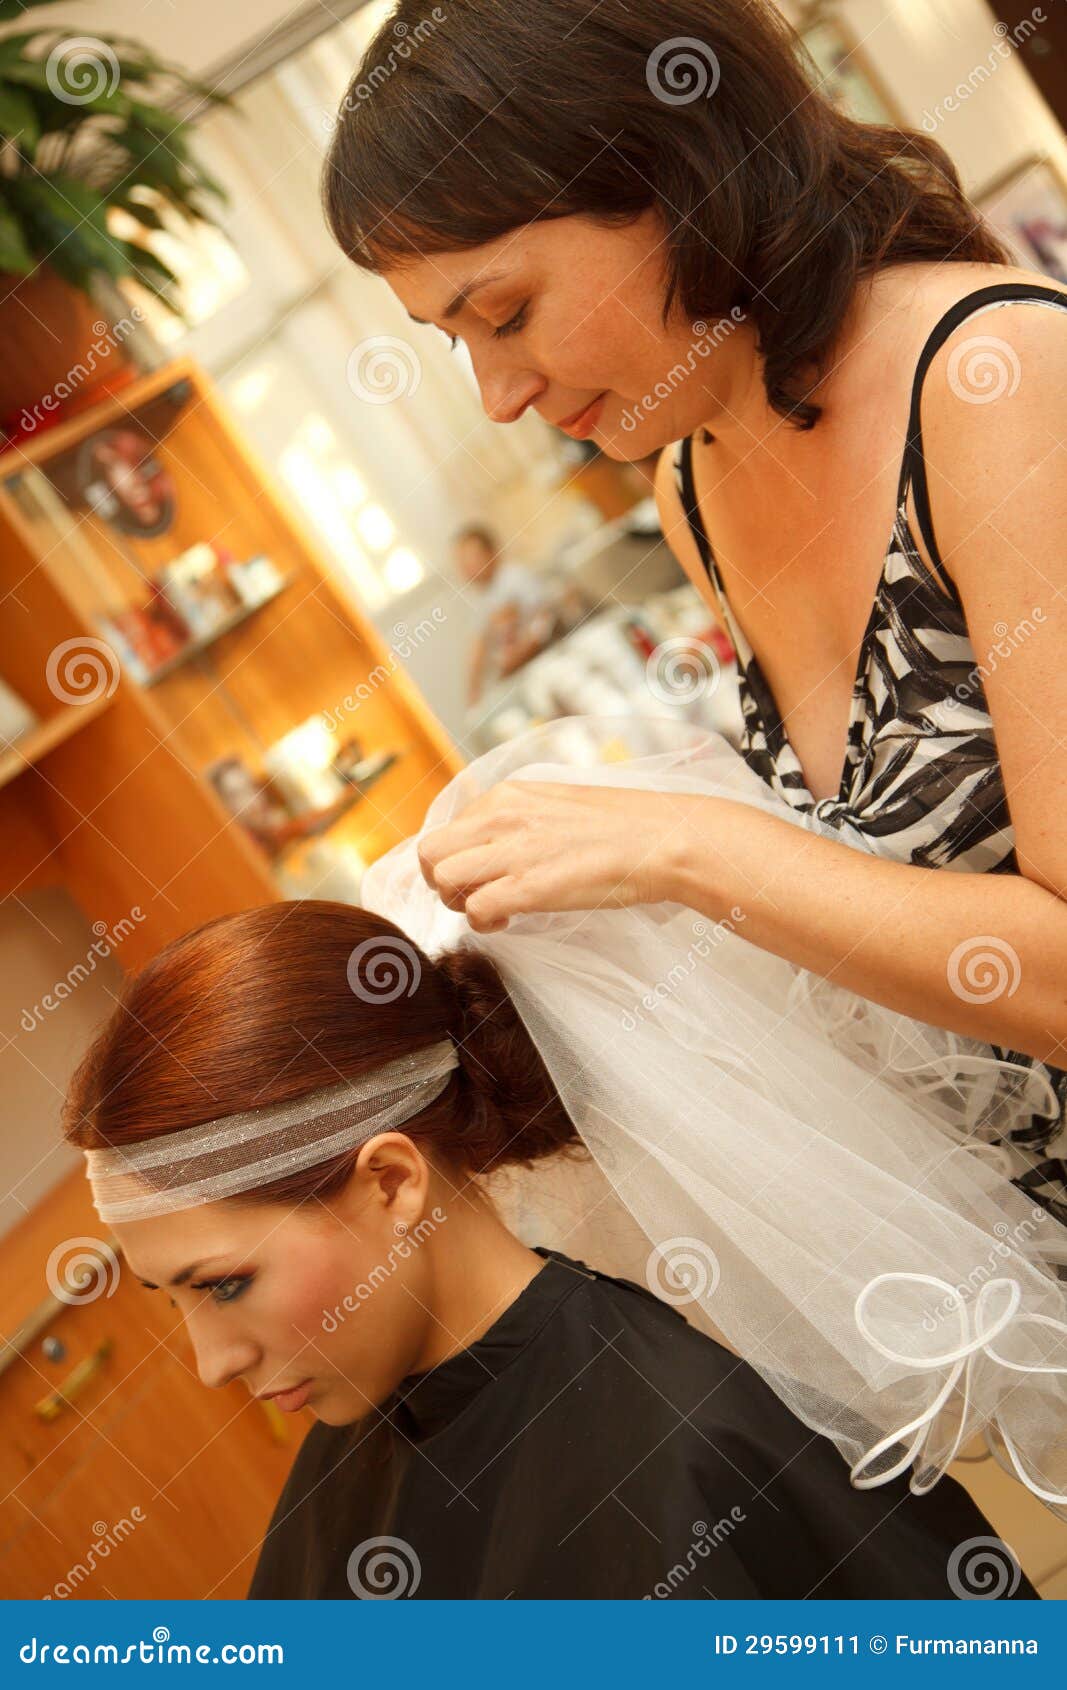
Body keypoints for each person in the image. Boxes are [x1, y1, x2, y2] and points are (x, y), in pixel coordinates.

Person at [321, 0, 1067, 1226]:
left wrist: (682, 846)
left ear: (679, 173)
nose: (497, 395)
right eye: (452, 340)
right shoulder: (694, 484)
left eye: (504, 313)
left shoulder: (995, 386)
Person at [63, 899, 1038, 1601]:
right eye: (169, 1297)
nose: (210, 1360)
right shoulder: (347, 1465)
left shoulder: (684, 1457)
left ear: (393, 1183)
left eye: (225, 1283)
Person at [452, 524, 555, 705]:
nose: (468, 567)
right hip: (523, 674)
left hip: (548, 661)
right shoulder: (482, 600)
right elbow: (478, 647)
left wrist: (523, 651)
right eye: (462, 563)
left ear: (492, 552)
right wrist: (474, 692)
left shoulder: (513, 578)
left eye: (472, 558)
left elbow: (545, 616)